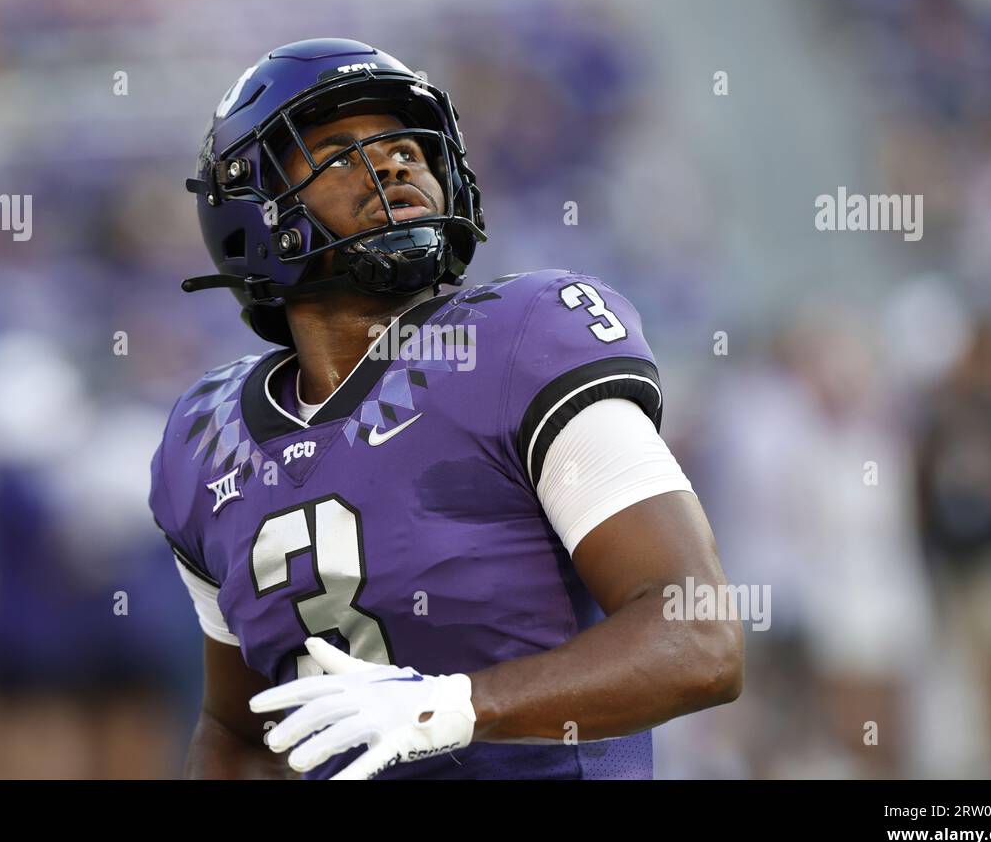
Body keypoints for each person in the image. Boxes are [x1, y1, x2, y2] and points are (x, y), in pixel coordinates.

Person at [150, 39, 742, 779]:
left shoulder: (526, 335)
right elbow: (240, 736)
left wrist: (452, 709)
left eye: (406, 148)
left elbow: (700, 637)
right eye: (338, 152)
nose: (394, 165)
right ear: (253, 210)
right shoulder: (204, 442)